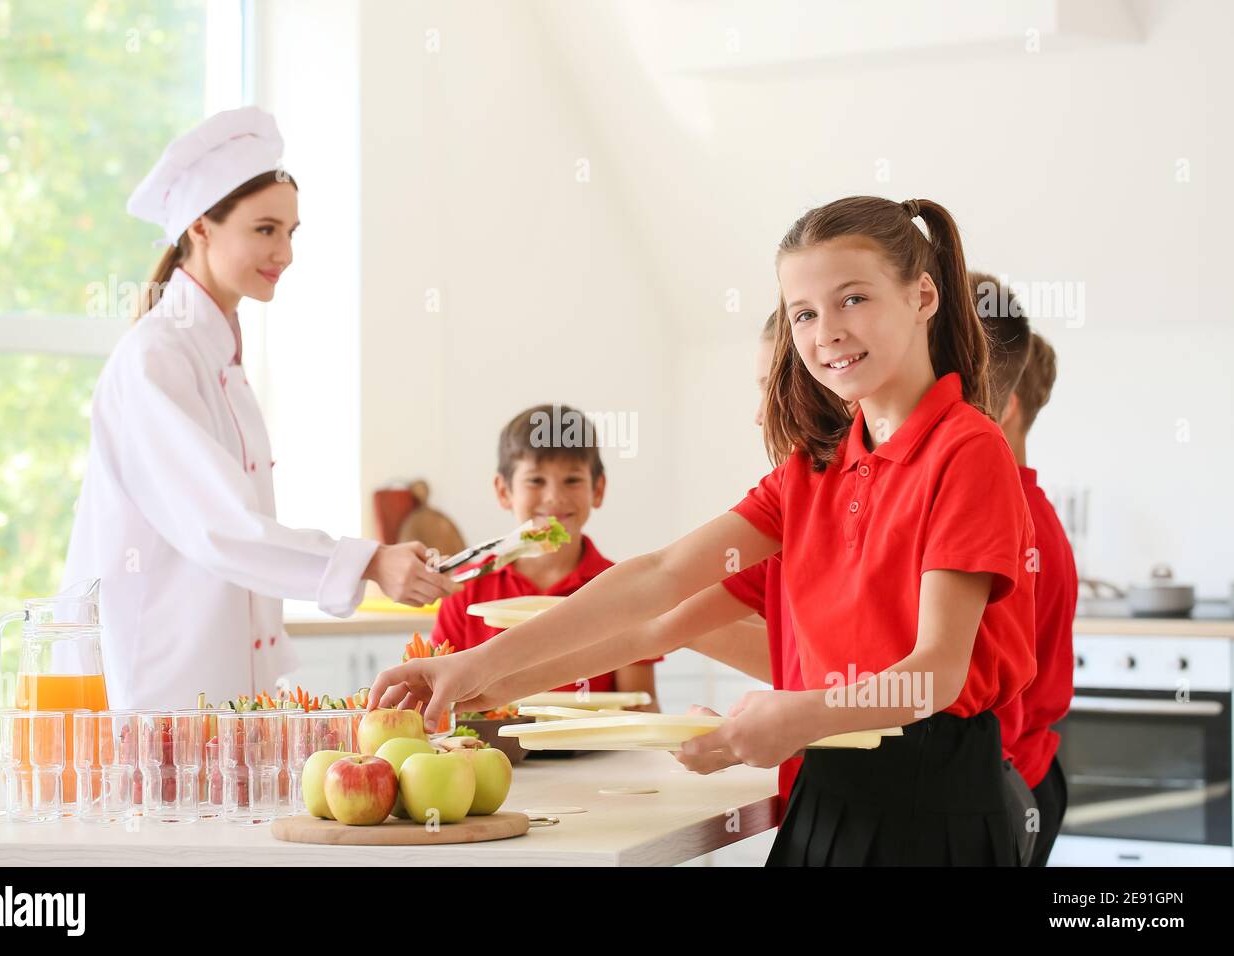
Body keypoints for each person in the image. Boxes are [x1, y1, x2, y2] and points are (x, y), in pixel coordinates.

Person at [370, 196, 1038, 866]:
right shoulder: (814, 472)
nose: (826, 331)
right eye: (804, 313)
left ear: (923, 295)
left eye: (853, 299)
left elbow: (935, 676)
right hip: (827, 796)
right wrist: (482, 670)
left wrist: (797, 715)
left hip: (934, 807)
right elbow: (658, 585)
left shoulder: (966, 450)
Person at [64, 107, 456, 709]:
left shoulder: (217, 352)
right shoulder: (157, 359)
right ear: (201, 225)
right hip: (156, 692)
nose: (286, 253)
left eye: (292, 232)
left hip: (220, 694)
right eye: (266, 229)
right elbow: (222, 527)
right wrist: (369, 560)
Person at [430, 404, 661, 705]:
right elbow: (440, 698)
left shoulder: (622, 587)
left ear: (598, 488)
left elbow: (640, 706)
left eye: (572, 480)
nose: (554, 497)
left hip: (596, 751)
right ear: (504, 491)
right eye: (536, 481)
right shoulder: (465, 588)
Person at [973, 270, 1076, 867]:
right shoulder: (1024, 509)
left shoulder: (1013, 520)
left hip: (1015, 783)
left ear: (1003, 404)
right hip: (1030, 775)